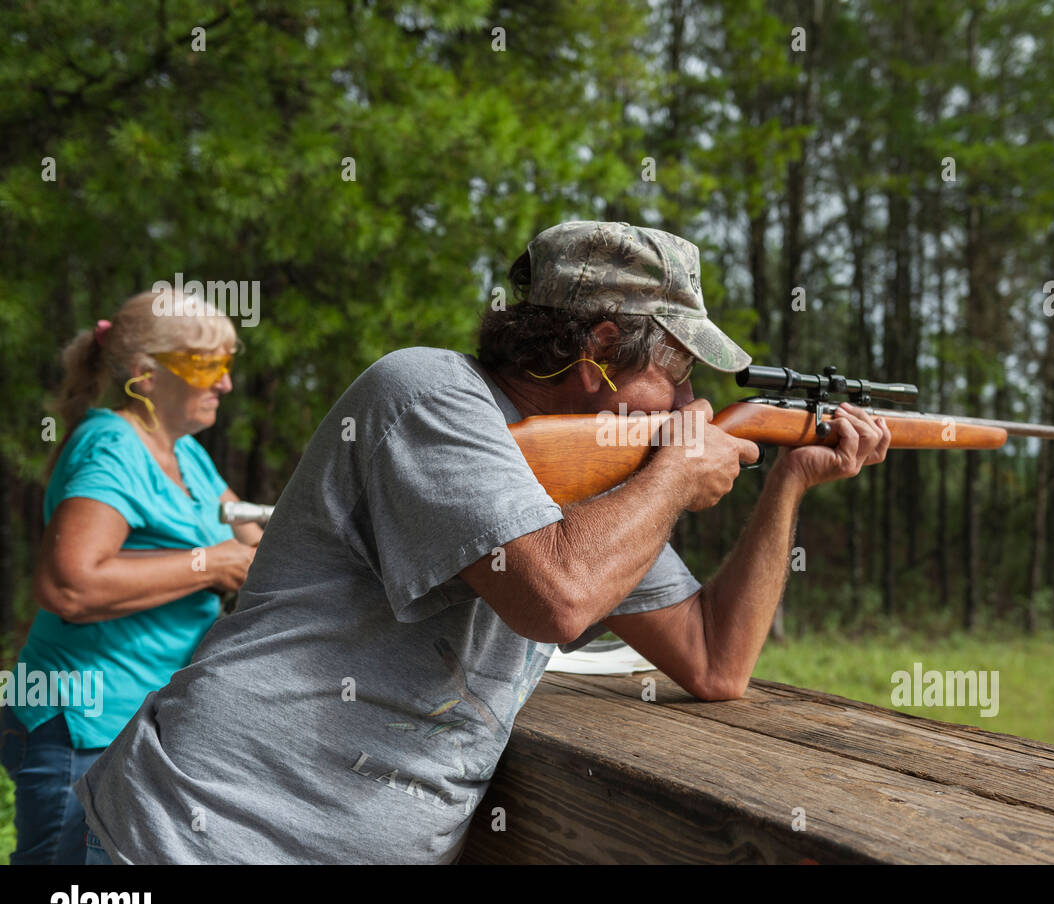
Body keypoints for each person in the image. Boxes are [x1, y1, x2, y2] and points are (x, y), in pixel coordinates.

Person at [73, 221, 890, 864]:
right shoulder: (429, 392)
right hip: (195, 836)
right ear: (599, 350)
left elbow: (716, 659)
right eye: (673, 373)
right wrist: (674, 477)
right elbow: (555, 596)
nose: (689, 400)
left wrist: (787, 482)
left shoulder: (603, 484)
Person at [0, 286, 259, 865]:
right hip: (82, 721)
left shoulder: (184, 454)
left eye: (228, 364)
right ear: (145, 375)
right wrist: (211, 564)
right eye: (209, 365)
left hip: (133, 723)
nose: (225, 383)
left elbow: (257, 544)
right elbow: (70, 586)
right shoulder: (111, 444)